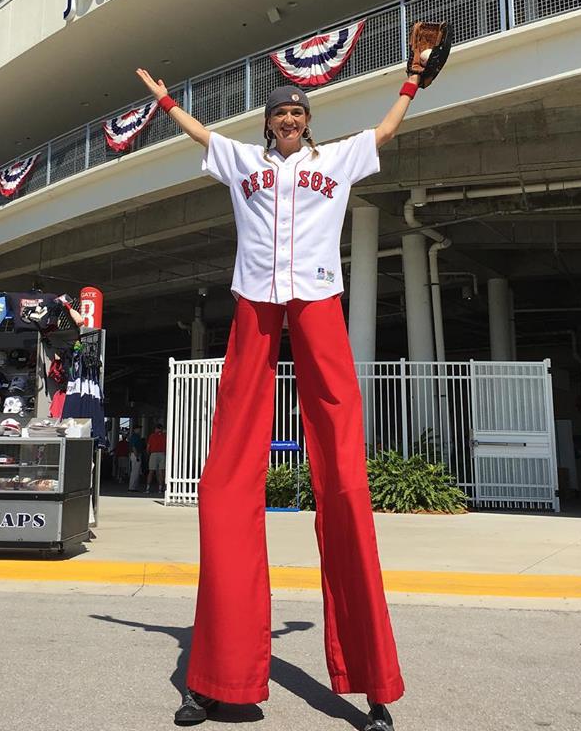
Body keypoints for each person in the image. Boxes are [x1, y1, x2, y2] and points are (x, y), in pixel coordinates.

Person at [136, 54, 435, 731]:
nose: (290, 119)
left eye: (298, 111)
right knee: (226, 485)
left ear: (308, 121)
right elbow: (203, 137)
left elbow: (385, 130)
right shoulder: (245, 162)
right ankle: (214, 679)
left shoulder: (337, 160)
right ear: (269, 125)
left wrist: (413, 80)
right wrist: (165, 103)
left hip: (320, 304)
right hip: (256, 306)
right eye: (280, 113)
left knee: (346, 484)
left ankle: (375, 688)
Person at [146, 422, 167, 494]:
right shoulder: (165, 436)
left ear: (156, 429)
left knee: (151, 471)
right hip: (162, 454)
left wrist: (148, 454)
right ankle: (160, 488)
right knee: (161, 472)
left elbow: (148, 446)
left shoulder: (152, 436)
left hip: (153, 454)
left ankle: (147, 488)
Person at [128, 425, 145, 491]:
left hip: (135, 454)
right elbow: (133, 447)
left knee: (136, 471)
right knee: (135, 471)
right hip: (136, 454)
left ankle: (133, 487)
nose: (139, 430)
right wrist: (137, 455)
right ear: (135, 429)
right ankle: (132, 487)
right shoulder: (135, 436)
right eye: (138, 429)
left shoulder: (135, 436)